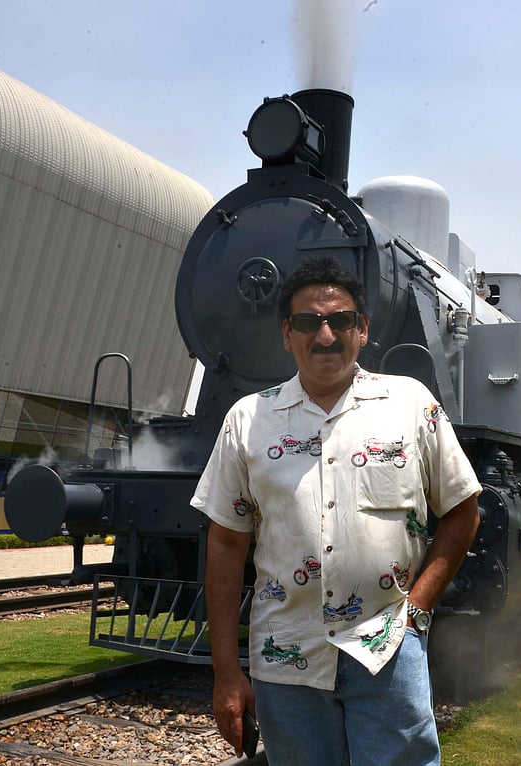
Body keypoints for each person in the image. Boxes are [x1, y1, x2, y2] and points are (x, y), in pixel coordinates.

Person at [193, 254, 481, 765]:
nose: (325, 335)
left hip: (388, 650)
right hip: (287, 660)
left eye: (340, 320)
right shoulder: (247, 420)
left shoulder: (410, 404)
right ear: (287, 333)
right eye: (308, 322)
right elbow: (226, 541)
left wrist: (416, 609)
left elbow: (463, 509)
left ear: (362, 329)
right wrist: (226, 673)